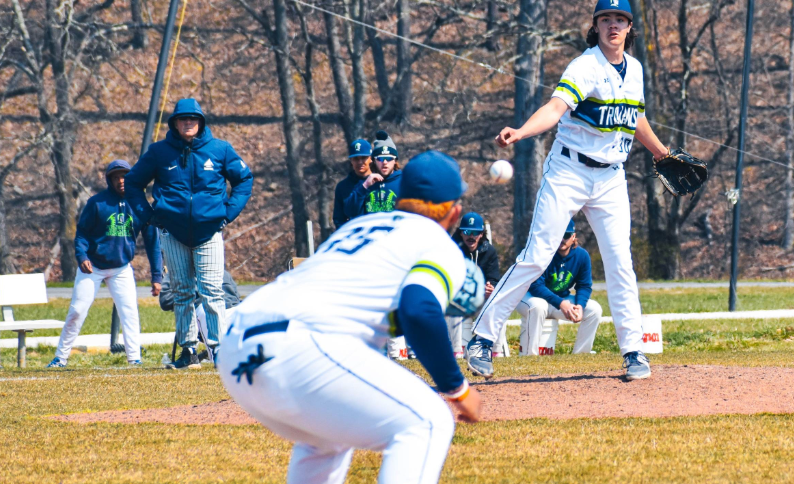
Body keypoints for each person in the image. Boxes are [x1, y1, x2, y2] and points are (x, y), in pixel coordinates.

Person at [217, 151, 483, 484]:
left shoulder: (359, 226)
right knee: (428, 421)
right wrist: (457, 389)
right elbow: (418, 308)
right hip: (302, 345)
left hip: (236, 345)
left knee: (325, 440)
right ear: (455, 211)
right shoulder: (437, 244)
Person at [467, 0, 671, 381]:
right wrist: (522, 131)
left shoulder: (636, 70)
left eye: (621, 19)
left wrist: (661, 153)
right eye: (606, 18)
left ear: (630, 28)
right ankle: (482, 339)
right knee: (536, 256)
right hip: (569, 172)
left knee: (620, 263)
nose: (613, 25)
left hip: (611, 176)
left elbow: (635, 117)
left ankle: (633, 351)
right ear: (595, 26)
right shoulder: (584, 67)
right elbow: (555, 109)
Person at [125, 97, 254, 370]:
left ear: (201, 122)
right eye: (183, 119)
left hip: (209, 232)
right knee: (182, 293)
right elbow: (134, 182)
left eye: (193, 119)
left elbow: (244, 179)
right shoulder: (159, 152)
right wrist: (149, 216)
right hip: (172, 234)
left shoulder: (220, 149)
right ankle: (189, 352)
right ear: (174, 123)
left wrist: (228, 213)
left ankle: (219, 349)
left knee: (212, 291)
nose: (188, 123)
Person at [48, 160, 162, 367]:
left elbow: (152, 242)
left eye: (125, 176)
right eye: (116, 176)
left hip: (121, 268)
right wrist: (82, 257)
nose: (121, 180)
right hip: (93, 266)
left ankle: (134, 359)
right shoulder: (97, 203)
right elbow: (81, 233)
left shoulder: (140, 205)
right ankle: (60, 358)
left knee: (129, 312)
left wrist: (157, 277)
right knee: (77, 311)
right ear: (109, 179)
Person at [517, 219, 601, 356]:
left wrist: (579, 305)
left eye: (566, 235)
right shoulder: (542, 252)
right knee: (538, 306)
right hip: (530, 297)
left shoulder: (582, 256)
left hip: (558, 302)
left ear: (573, 237)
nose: (562, 239)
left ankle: (580, 355)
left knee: (594, 309)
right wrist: (561, 303)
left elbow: (584, 285)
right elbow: (536, 286)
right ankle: (530, 356)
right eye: (558, 234)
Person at [451, 212, 501, 356]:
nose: (471, 236)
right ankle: (456, 352)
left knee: (497, 305)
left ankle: (495, 352)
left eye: (475, 232)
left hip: (480, 300)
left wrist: (491, 287)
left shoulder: (489, 251)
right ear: (461, 233)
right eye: (467, 232)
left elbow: (494, 278)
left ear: (481, 234)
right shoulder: (452, 250)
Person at [343, 134, 403, 221]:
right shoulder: (365, 183)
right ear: (374, 160)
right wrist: (364, 186)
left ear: (395, 161)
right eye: (380, 159)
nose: (385, 162)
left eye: (389, 158)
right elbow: (349, 212)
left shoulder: (404, 183)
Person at [332, 138, 374, 229]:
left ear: (370, 158)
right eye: (356, 159)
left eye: (363, 158)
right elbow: (339, 219)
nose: (360, 162)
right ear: (351, 160)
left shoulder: (379, 182)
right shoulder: (343, 187)